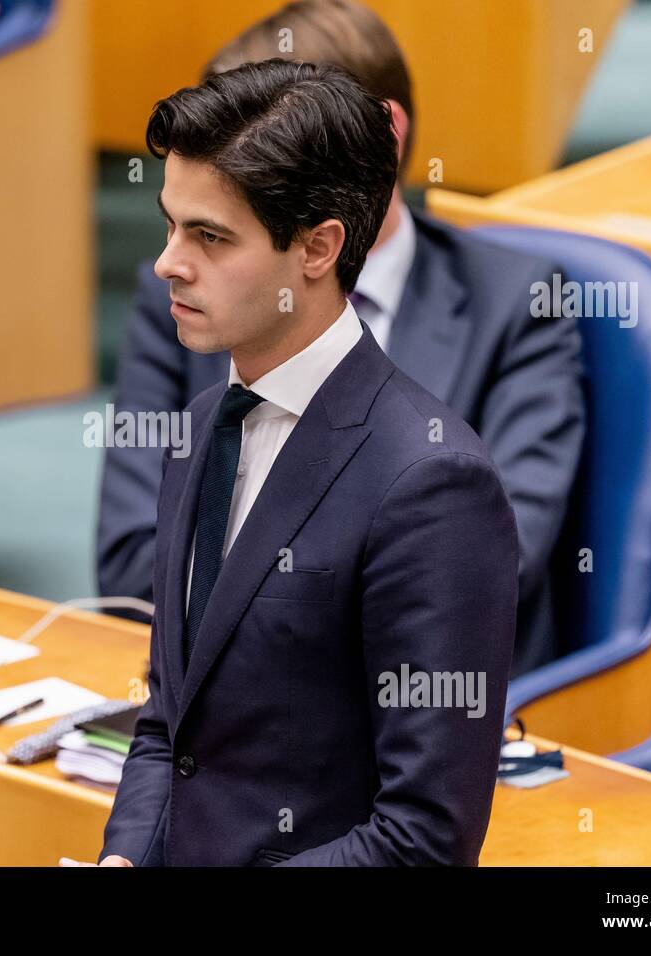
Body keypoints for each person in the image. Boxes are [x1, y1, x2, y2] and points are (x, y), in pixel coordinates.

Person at [74, 59, 517, 867]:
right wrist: (124, 859)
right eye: (171, 224)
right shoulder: (205, 424)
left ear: (318, 249)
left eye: (209, 237)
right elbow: (168, 724)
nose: (169, 262)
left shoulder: (432, 486)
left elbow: (422, 841)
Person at [96, 0, 584, 677]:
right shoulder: (178, 292)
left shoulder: (517, 307)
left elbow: (485, 573)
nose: (176, 257)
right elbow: (129, 564)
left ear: (384, 137)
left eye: (264, 154)